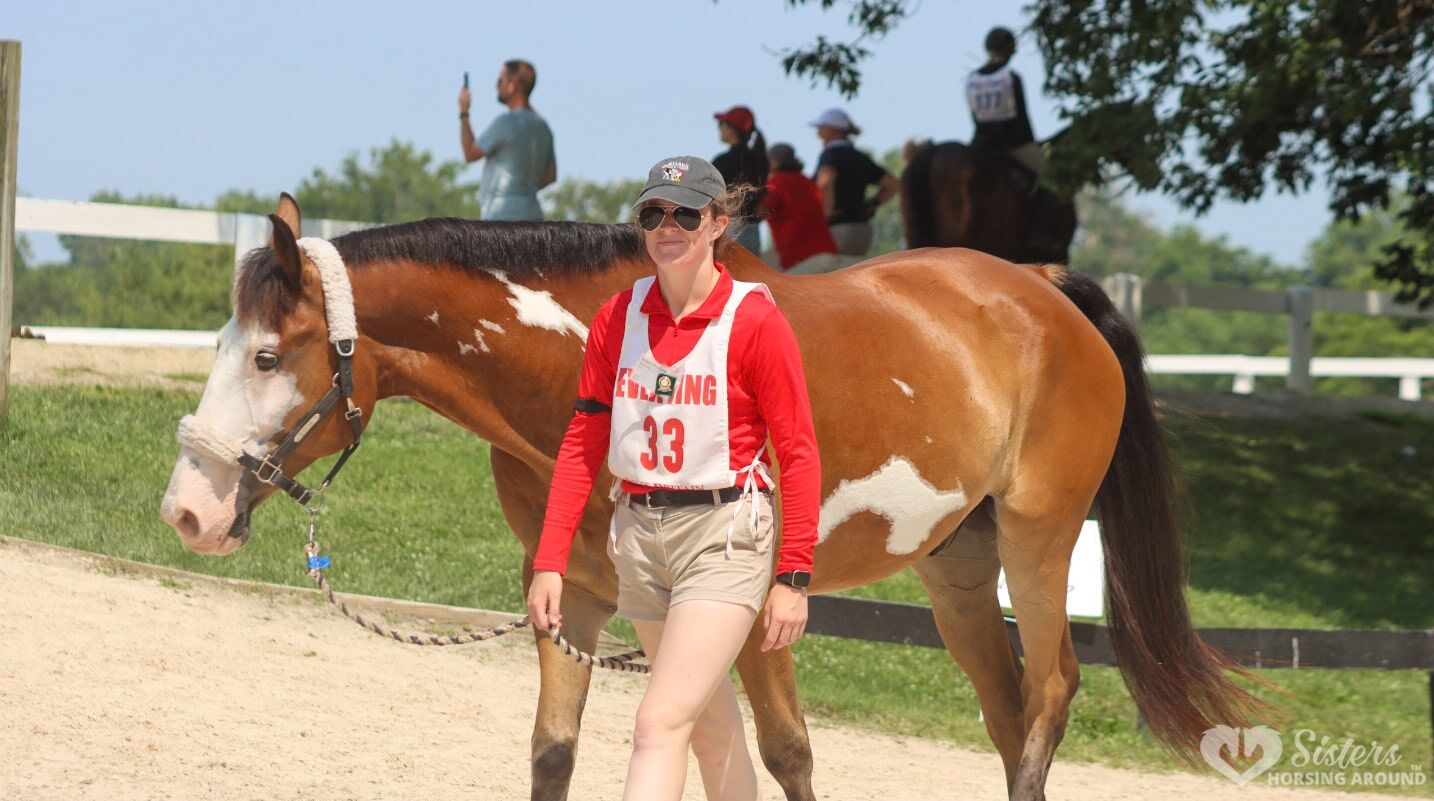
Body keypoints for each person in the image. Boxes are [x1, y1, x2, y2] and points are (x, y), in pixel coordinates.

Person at [527, 156, 819, 801]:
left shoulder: (755, 320)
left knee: (658, 722)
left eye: (687, 213)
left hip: (725, 535)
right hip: (640, 537)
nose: (668, 226)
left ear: (718, 223)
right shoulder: (616, 317)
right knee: (707, 727)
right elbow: (582, 442)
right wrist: (551, 560)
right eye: (653, 213)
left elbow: (796, 451)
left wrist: (793, 576)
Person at [458, 59, 557, 221]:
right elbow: (550, 175)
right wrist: (524, 190)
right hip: (533, 215)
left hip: (501, 217)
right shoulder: (543, 127)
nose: (497, 86)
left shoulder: (507, 122)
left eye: (500, 80)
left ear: (513, 86)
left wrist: (464, 113)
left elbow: (470, 153)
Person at [810, 108, 899, 256]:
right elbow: (893, 185)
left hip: (837, 230)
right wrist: (873, 204)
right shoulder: (860, 157)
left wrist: (827, 214)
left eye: (822, 127)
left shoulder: (829, 156)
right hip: (863, 231)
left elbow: (825, 183)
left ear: (834, 130)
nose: (818, 132)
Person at [965, 26, 1044, 176]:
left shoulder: (971, 80)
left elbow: (975, 117)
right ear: (1009, 50)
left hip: (981, 143)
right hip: (1013, 142)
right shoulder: (1010, 77)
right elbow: (1022, 115)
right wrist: (1032, 143)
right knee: (1050, 177)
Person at [761, 143, 838, 270]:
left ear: (772, 162)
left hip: (800, 257)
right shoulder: (807, 181)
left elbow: (758, 211)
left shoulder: (775, 183)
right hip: (827, 251)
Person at [711, 105, 769, 254]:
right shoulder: (758, 158)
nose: (719, 128)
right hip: (752, 232)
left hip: (729, 230)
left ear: (732, 128)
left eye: (721, 124)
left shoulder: (724, 161)